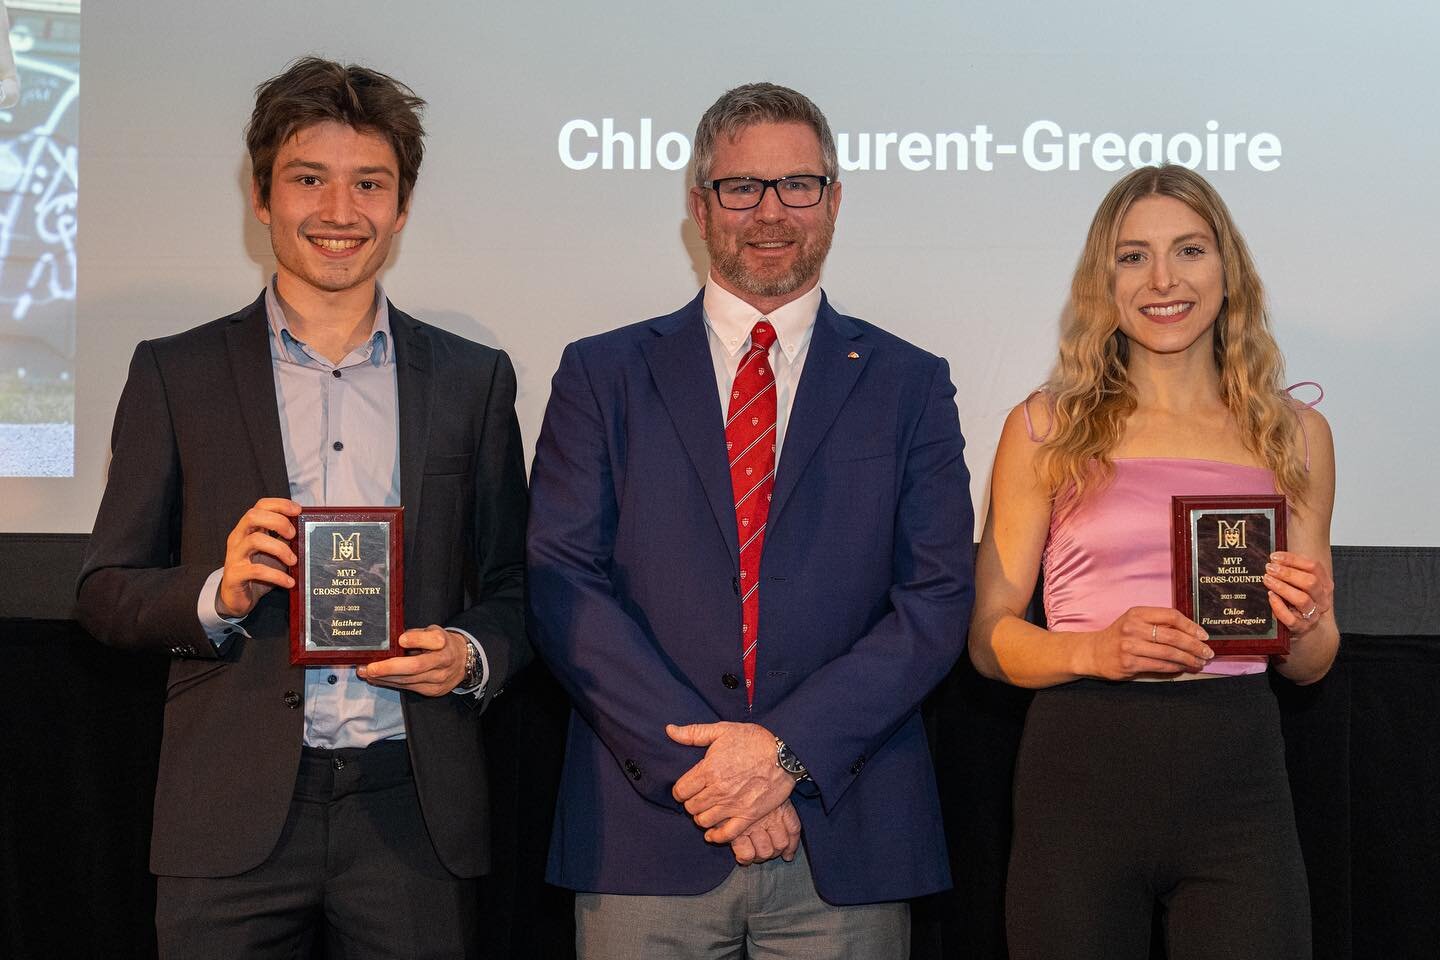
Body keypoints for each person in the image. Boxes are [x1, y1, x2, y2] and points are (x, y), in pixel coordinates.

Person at [75, 57, 528, 959]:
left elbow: (516, 586)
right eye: (308, 179)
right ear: (261, 196)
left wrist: (472, 654)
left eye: (370, 184)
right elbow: (105, 591)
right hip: (227, 812)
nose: (339, 211)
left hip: (411, 807)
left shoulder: (473, 381)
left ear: (401, 207)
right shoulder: (177, 373)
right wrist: (218, 595)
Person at [527, 82, 974, 958]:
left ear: (835, 201)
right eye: (741, 188)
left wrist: (783, 755)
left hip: (845, 836)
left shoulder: (908, 383)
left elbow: (936, 599)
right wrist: (713, 771)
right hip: (647, 833)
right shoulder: (601, 373)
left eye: (798, 185)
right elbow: (562, 587)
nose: (771, 212)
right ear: (700, 207)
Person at [968, 164, 1337, 960]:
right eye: (1134, 256)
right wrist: (1093, 649)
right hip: (1082, 767)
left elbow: (1310, 663)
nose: (1163, 279)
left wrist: (1304, 621)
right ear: (1104, 279)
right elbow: (988, 639)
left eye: (1190, 250)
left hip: (1239, 774)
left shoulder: (1295, 433)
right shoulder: (1043, 427)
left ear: (1227, 267)